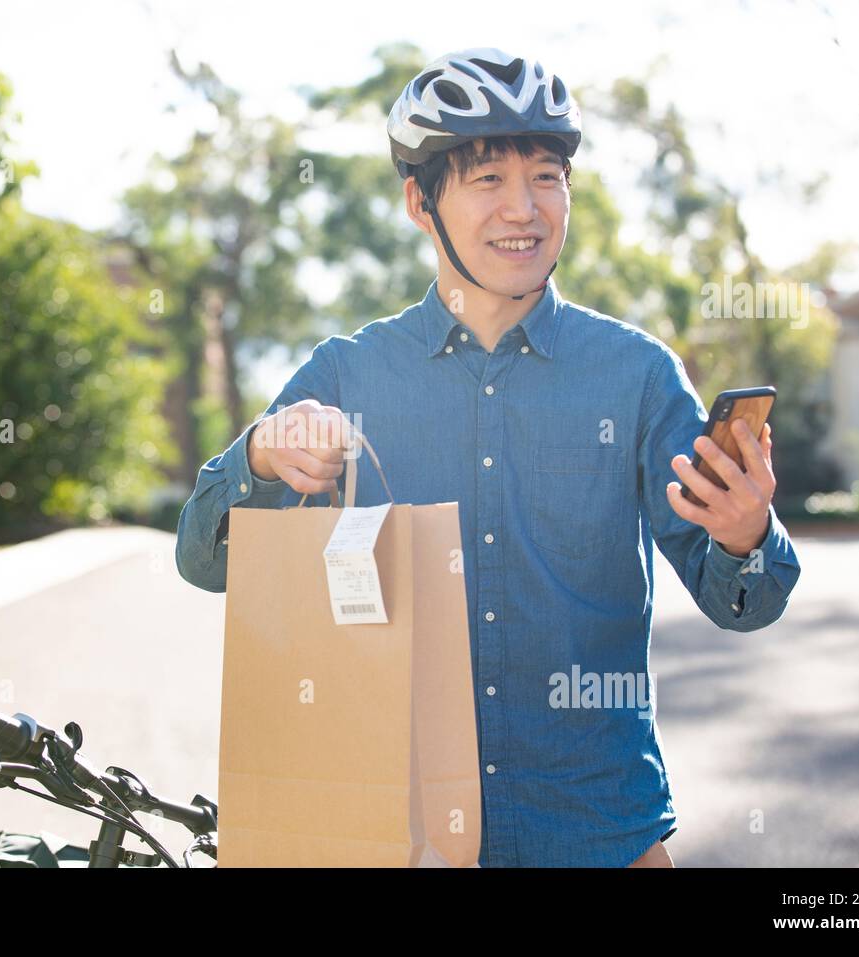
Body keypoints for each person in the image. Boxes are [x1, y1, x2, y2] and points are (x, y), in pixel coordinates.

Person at [174, 47, 802, 867]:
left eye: (546, 176)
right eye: (487, 180)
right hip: (399, 837)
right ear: (419, 202)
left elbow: (744, 605)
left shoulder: (638, 376)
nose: (525, 208)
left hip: (598, 833)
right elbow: (202, 559)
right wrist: (257, 457)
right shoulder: (345, 373)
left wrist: (746, 536)